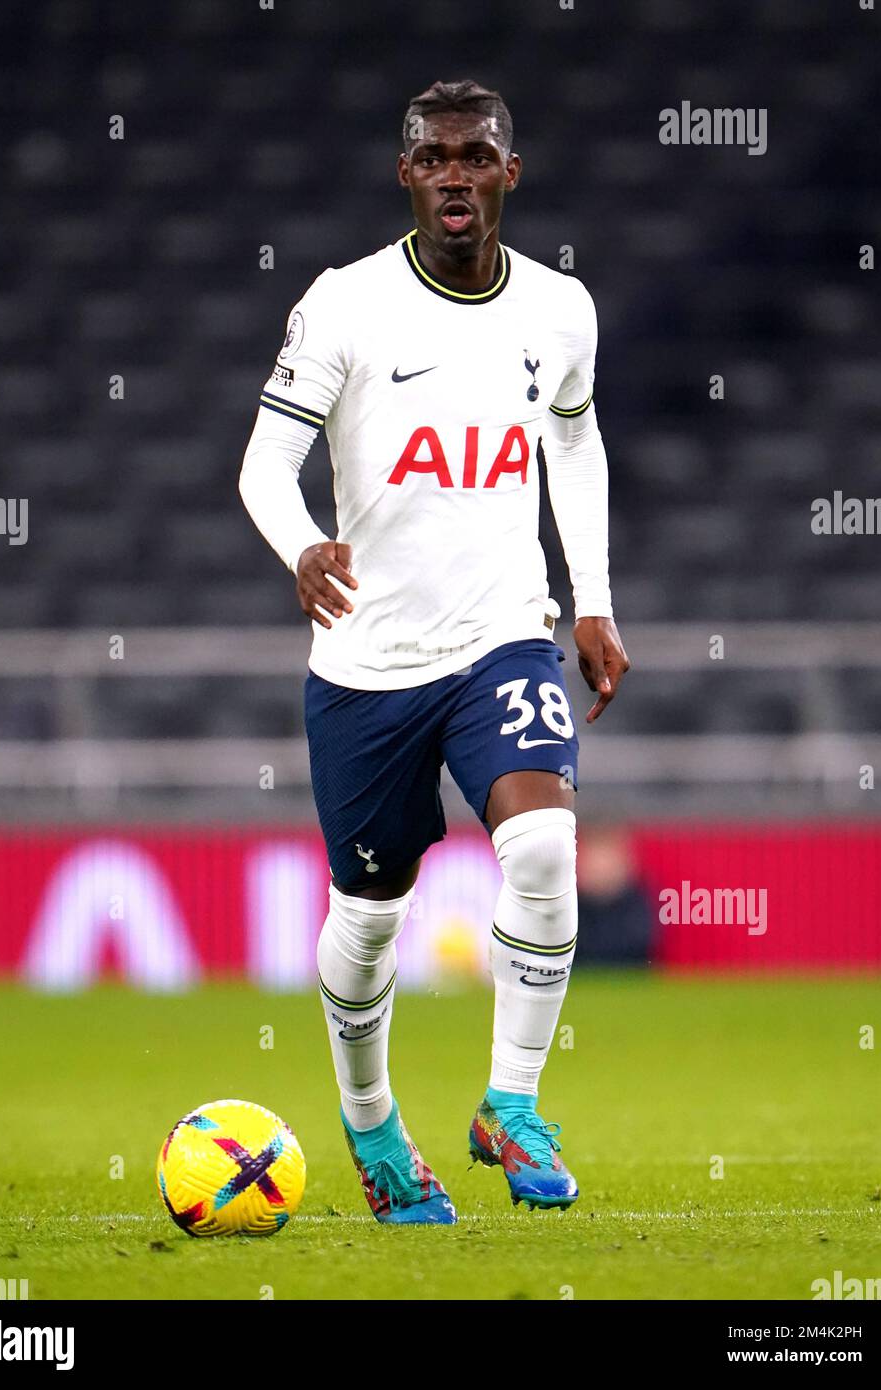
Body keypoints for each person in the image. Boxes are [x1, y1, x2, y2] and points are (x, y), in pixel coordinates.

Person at [239, 79, 630, 1224]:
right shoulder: (345, 305)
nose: (455, 173)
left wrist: (591, 599)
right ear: (405, 175)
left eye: (476, 156)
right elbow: (263, 465)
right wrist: (304, 546)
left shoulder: (559, 309)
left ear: (510, 173)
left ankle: (508, 1103)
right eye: (434, 158)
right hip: (366, 666)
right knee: (367, 919)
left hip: (502, 634)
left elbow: (577, 437)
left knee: (546, 845)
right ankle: (371, 1129)